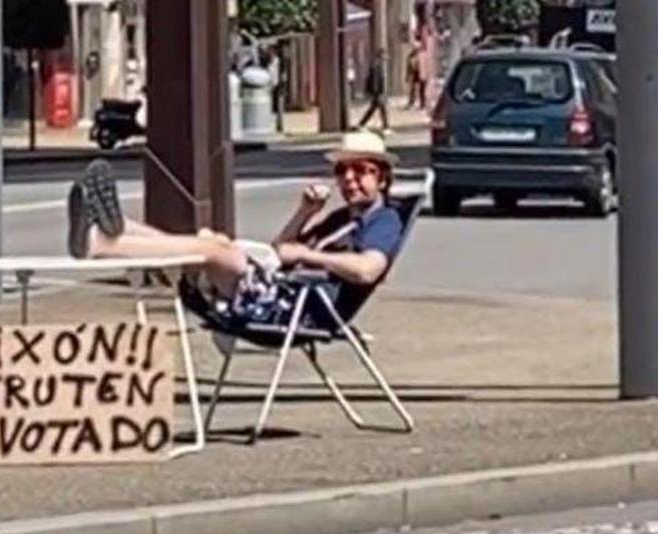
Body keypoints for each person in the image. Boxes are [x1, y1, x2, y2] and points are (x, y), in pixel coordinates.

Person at [66, 132, 405, 326]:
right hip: (279, 289)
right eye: (342, 172)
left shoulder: (383, 220)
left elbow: (367, 270)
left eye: (361, 171)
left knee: (213, 250)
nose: (349, 180)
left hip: (294, 308)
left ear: (382, 177)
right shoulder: (340, 218)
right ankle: (117, 227)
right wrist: (305, 213)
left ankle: (101, 243)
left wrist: (308, 254)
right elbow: (280, 250)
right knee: (210, 240)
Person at [356, 50, 390, 132]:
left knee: (373, 109)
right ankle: (385, 127)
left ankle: (361, 124)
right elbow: (375, 80)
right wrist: (377, 93)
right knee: (382, 109)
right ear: (381, 56)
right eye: (384, 56)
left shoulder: (377, 65)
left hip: (378, 92)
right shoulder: (376, 66)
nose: (386, 58)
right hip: (377, 92)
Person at [405, 41, 426, 110]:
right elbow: (408, 67)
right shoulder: (410, 56)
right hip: (414, 73)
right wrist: (407, 75)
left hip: (421, 73)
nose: (416, 49)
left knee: (421, 90)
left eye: (417, 48)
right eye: (415, 48)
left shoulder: (423, 55)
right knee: (412, 89)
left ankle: (422, 104)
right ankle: (411, 102)